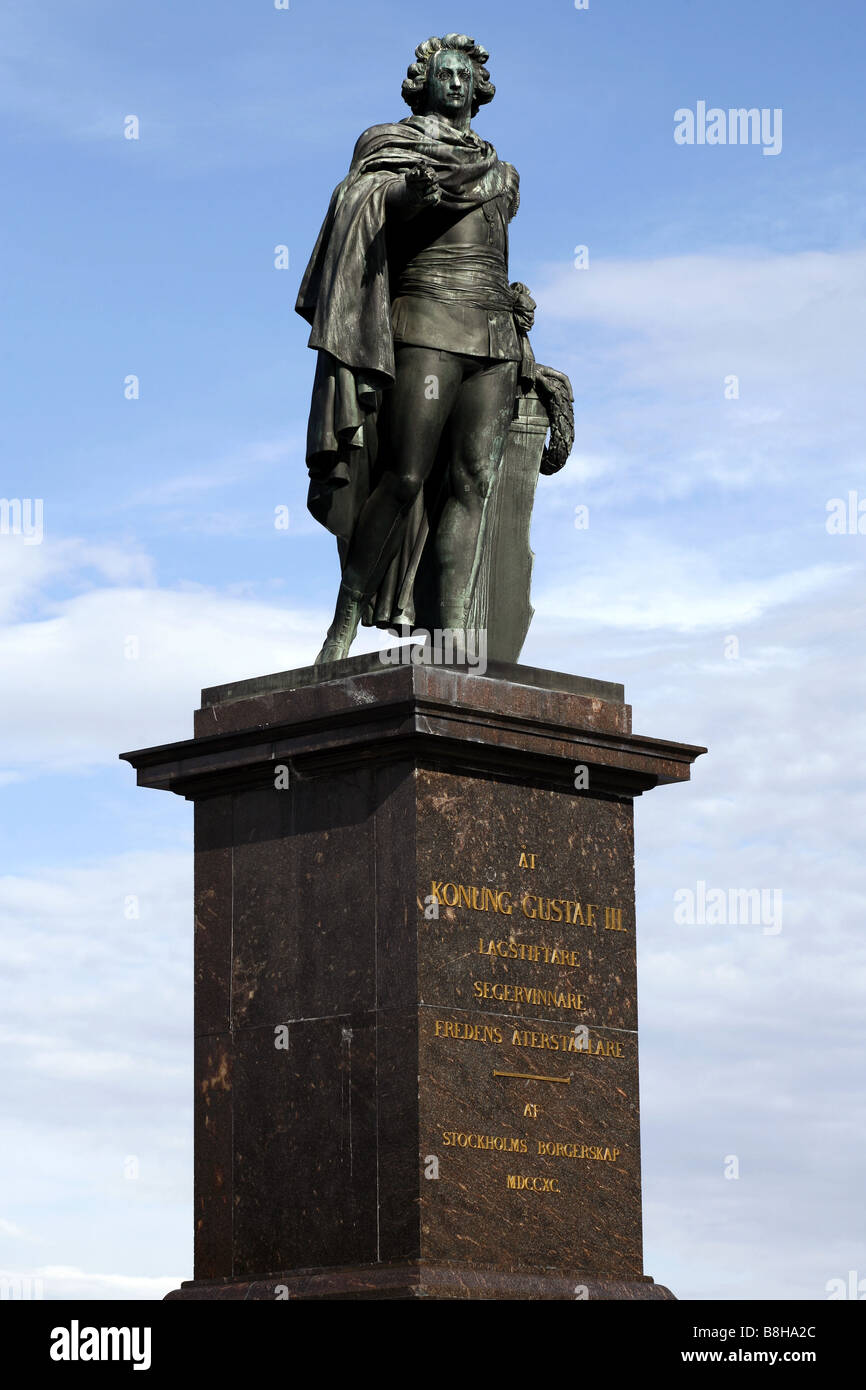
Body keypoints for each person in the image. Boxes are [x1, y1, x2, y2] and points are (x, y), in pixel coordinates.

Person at [297, 34, 539, 663]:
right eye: (444, 72)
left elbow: (488, 251)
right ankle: (344, 620)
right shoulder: (391, 145)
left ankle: (455, 637)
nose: (456, 82)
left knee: (472, 482)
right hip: (425, 323)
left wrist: (515, 299)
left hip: (493, 334)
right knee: (405, 475)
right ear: (423, 83)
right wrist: (407, 195)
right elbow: (364, 205)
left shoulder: (501, 169)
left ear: (479, 89)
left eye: (466, 75)